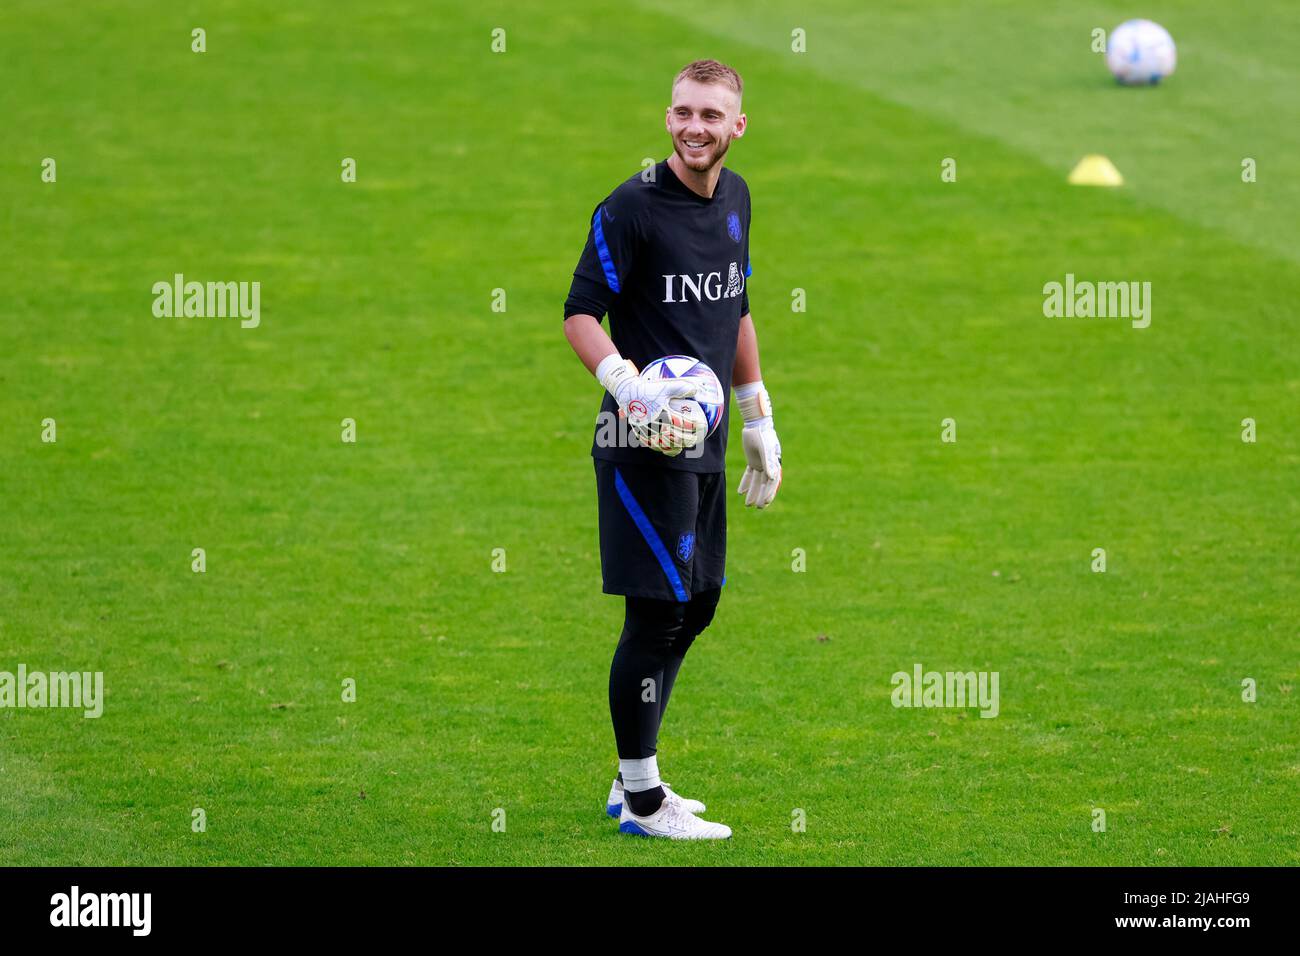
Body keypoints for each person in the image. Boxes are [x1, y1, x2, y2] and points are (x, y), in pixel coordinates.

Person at [563, 59, 782, 839]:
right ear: (668, 118)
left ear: (737, 127)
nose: (697, 128)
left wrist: (757, 415)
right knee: (656, 616)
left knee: (699, 604)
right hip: (639, 439)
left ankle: (635, 780)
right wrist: (626, 384)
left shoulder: (737, 199)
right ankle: (644, 799)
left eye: (712, 116)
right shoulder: (631, 207)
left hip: (708, 442)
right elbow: (580, 312)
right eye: (685, 113)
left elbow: (738, 304)